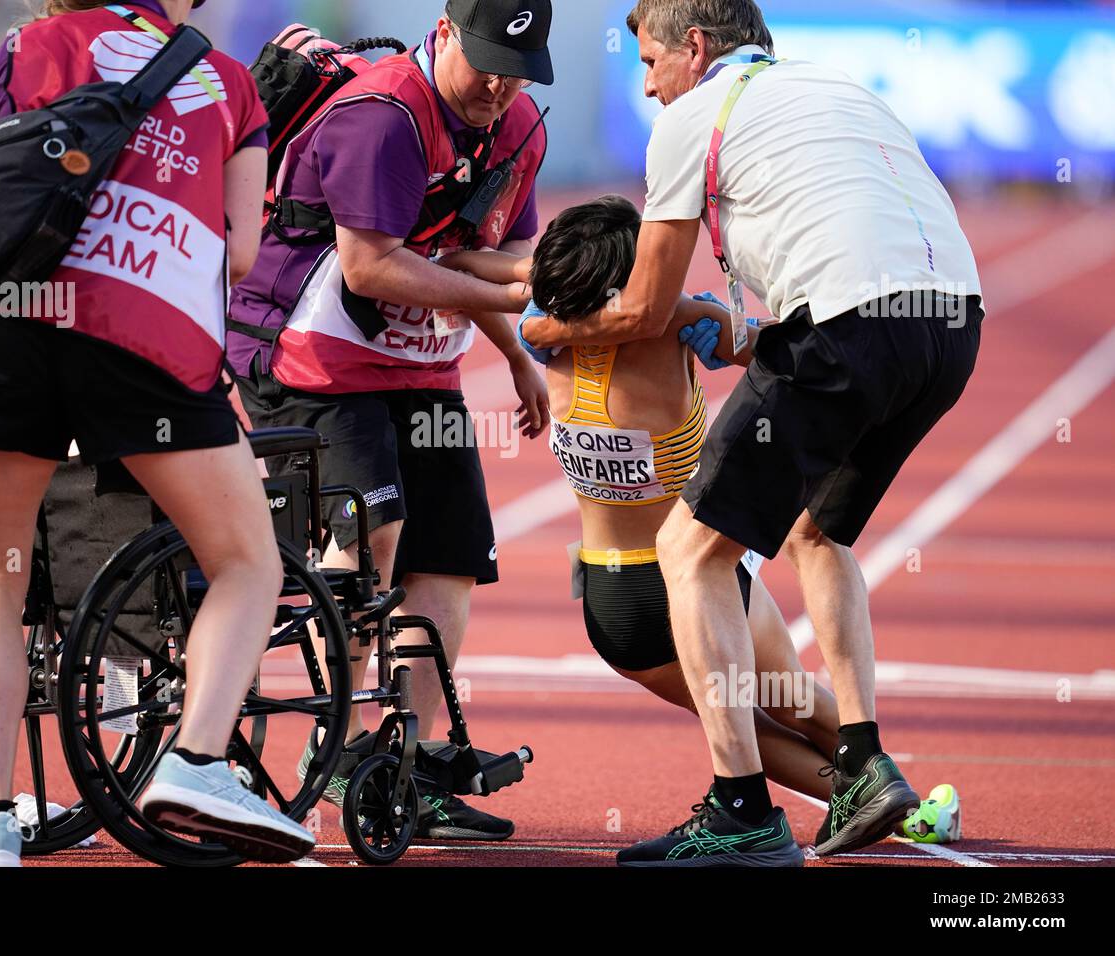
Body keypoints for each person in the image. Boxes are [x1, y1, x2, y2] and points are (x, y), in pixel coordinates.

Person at [522, 0, 983, 865]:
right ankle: (864, 759)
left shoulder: (693, 118)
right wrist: (737, 332)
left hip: (847, 324)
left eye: (652, 60)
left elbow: (648, 307)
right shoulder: (837, 88)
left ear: (695, 49)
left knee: (692, 551)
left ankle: (741, 810)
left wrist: (549, 331)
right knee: (817, 531)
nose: (647, 82)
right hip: (952, 323)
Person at [448, 196, 963, 864]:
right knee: (795, 700)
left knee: (742, 724)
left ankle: (878, 804)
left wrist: (455, 256)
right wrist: (712, 320)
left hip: (618, 602)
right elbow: (785, 359)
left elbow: (483, 269)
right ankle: (896, 796)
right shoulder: (676, 323)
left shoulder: (540, 327)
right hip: (708, 574)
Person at [0, 0, 314, 866]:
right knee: (247, 560)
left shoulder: (27, 45)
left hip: (8, 321)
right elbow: (244, 253)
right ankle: (194, 762)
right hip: (144, 333)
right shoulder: (229, 86)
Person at [230, 0, 554, 842]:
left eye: (516, 69)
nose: (497, 84)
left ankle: (403, 762)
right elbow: (370, 267)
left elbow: (486, 252)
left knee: (448, 556)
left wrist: (520, 348)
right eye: (483, 58)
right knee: (376, 532)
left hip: (416, 362)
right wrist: (509, 298)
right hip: (308, 350)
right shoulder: (384, 114)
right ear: (443, 32)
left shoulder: (518, 127)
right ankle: (329, 747)